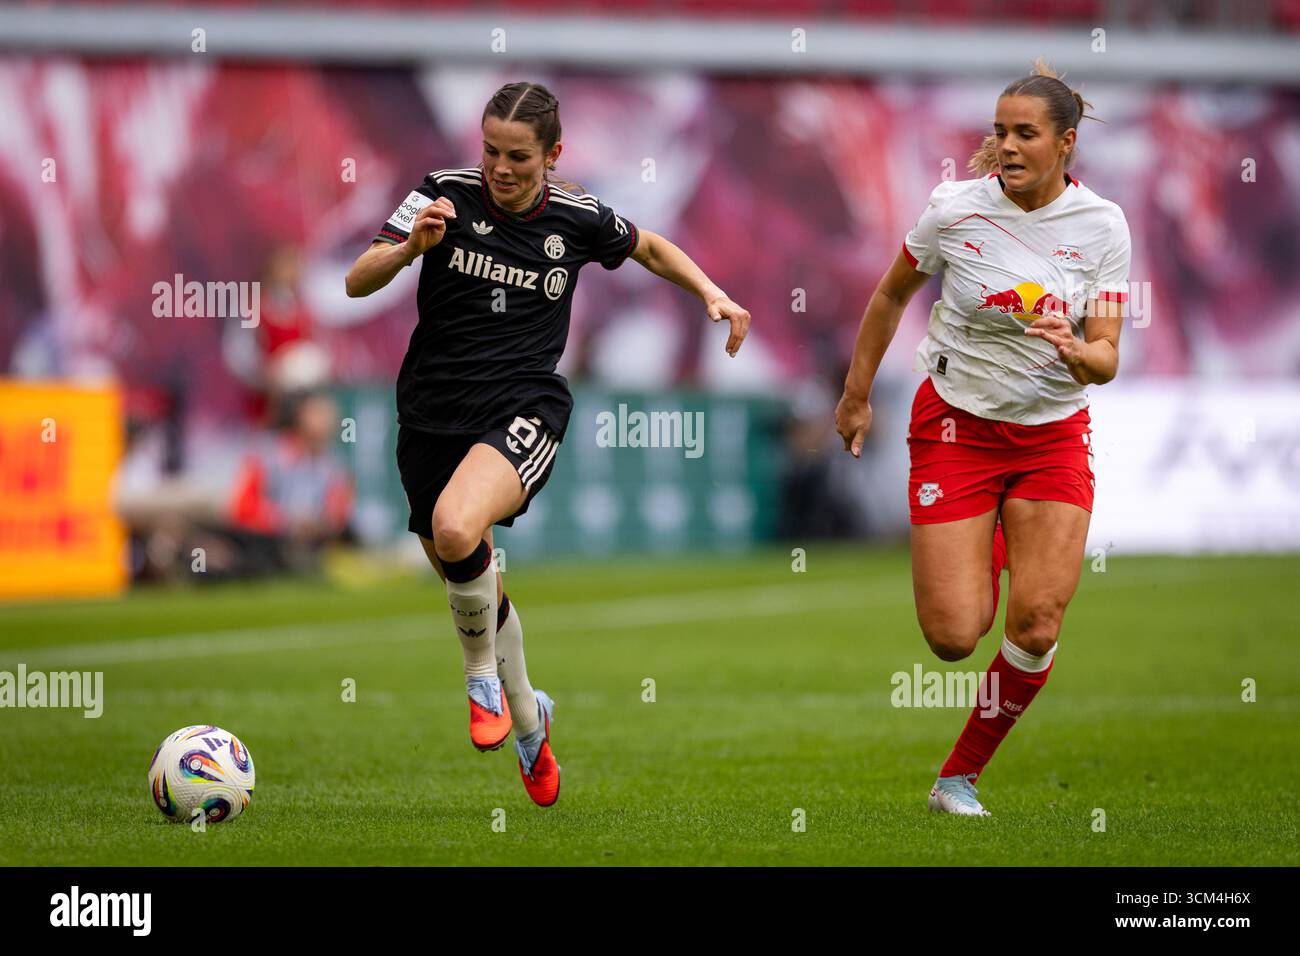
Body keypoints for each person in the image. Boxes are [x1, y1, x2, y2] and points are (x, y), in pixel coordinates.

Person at [345, 81, 750, 807]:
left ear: (553, 155)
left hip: (523, 408)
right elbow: (355, 280)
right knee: (469, 574)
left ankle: (480, 682)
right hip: (430, 416)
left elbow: (650, 246)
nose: (501, 169)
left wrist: (711, 293)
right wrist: (411, 246)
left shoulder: (577, 216)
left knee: (458, 525)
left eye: (519, 158)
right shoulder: (441, 193)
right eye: (492, 152)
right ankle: (530, 714)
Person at [835, 59, 1131, 816]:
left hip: (1052, 435)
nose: (1006, 145)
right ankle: (993, 536)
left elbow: (1107, 358)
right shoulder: (954, 210)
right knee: (954, 637)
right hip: (956, 427)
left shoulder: (1103, 227)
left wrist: (1075, 349)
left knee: (1035, 622)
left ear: (1065, 144)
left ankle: (957, 779)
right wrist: (856, 394)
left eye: (1024, 133)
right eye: (999, 131)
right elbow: (891, 293)